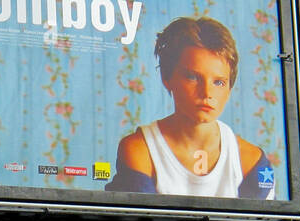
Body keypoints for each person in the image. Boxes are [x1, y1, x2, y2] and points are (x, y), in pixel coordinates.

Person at [108, 17, 277, 200]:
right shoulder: (140, 150)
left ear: (229, 89)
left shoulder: (250, 160)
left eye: (219, 82)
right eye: (193, 77)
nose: (207, 93)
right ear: (167, 78)